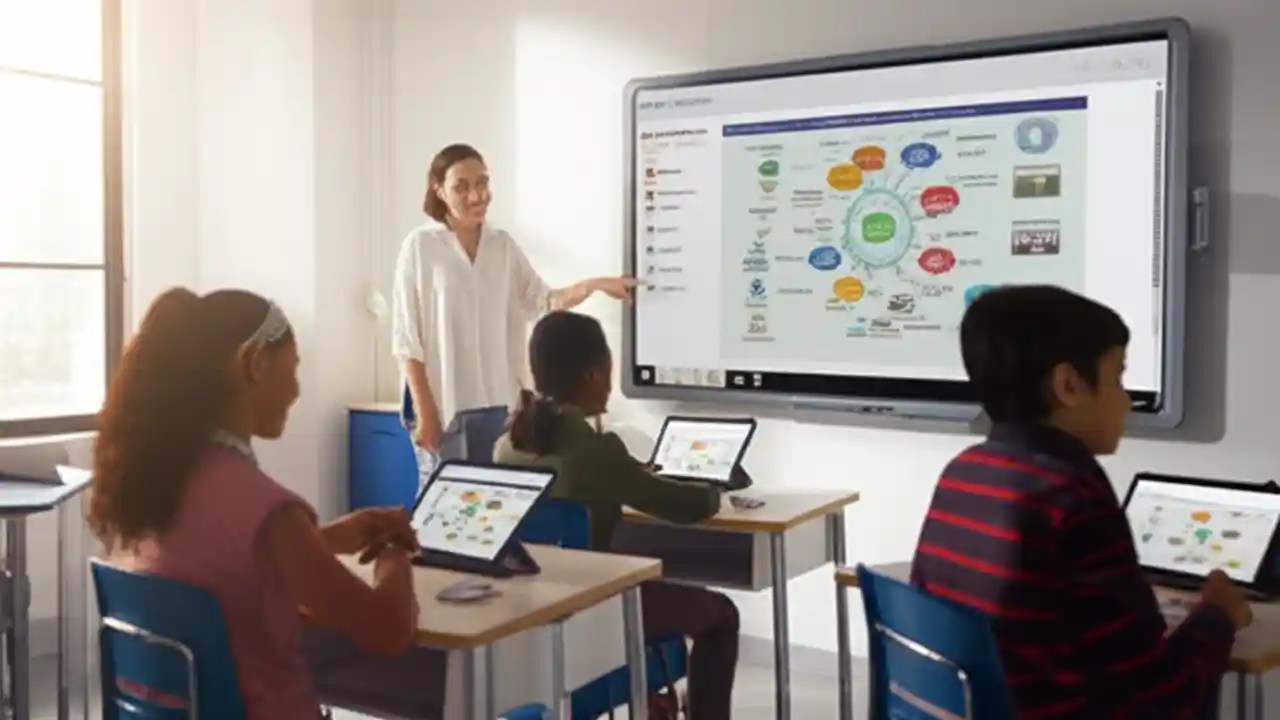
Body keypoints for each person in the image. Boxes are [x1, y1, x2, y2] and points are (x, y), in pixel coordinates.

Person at [911, 285, 1249, 719]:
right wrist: (1218, 615)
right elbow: (1163, 692)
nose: (1127, 401)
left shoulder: (964, 472)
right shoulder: (1071, 494)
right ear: (1068, 385)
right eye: (1118, 379)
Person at [90, 288, 419, 720]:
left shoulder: (151, 487)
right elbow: (388, 631)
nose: (297, 390)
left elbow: (219, 562)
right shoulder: (272, 514)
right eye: (293, 368)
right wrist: (394, 551)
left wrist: (327, 539)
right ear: (256, 363)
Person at [494, 311, 739, 720]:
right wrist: (716, 488)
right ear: (593, 374)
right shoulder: (596, 451)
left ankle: (654, 703)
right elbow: (687, 507)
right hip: (593, 612)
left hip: (530, 618)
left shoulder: (506, 444)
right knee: (722, 614)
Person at [391, 143, 635, 487]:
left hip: (497, 407)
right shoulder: (421, 247)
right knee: (444, 506)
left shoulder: (502, 246)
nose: (477, 195)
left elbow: (543, 301)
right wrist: (425, 410)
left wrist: (594, 285)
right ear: (438, 190)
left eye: (483, 183)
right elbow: (406, 339)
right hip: (446, 407)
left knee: (496, 503)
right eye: (462, 186)